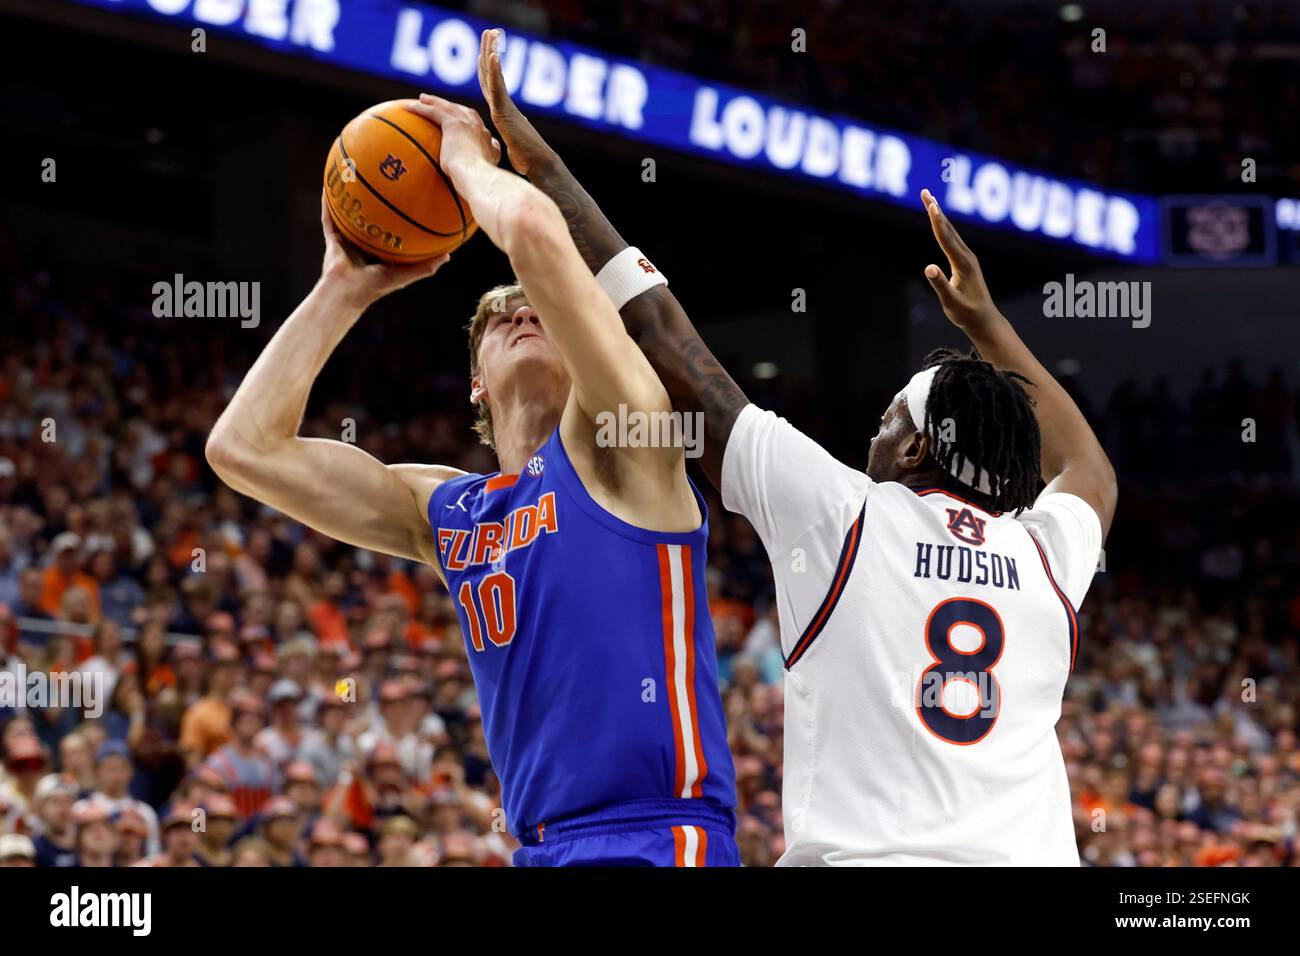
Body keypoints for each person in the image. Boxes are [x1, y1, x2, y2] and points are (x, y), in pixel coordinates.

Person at [476, 38, 1116, 865]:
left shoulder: (845, 512)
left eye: (887, 422)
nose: (871, 437)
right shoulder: (1045, 557)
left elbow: (665, 336)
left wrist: (543, 166)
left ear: (919, 444)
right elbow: (1088, 469)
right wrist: (989, 326)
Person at [204, 38, 738, 866]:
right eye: (495, 319)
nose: (521, 315)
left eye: (539, 310)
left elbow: (528, 226)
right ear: (476, 387)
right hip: (537, 847)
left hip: (657, 832)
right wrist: (342, 285)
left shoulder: (636, 442)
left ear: (585, 345)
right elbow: (243, 448)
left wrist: (463, 158)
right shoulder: (447, 511)